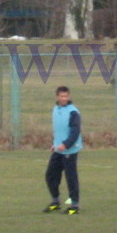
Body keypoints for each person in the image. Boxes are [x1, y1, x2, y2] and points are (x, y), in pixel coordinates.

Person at [43, 86, 82, 215]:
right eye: (61, 96)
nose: (64, 98)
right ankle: (55, 202)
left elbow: (75, 131)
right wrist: (55, 144)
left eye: (66, 96)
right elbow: (59, 129)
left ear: (69, 97)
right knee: (50, 175)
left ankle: (74, 205)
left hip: (69, 151)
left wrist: (65, 144)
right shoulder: (56, 109)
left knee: (71, 178)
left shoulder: (73, 112)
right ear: (57, 97)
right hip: (58, 150)